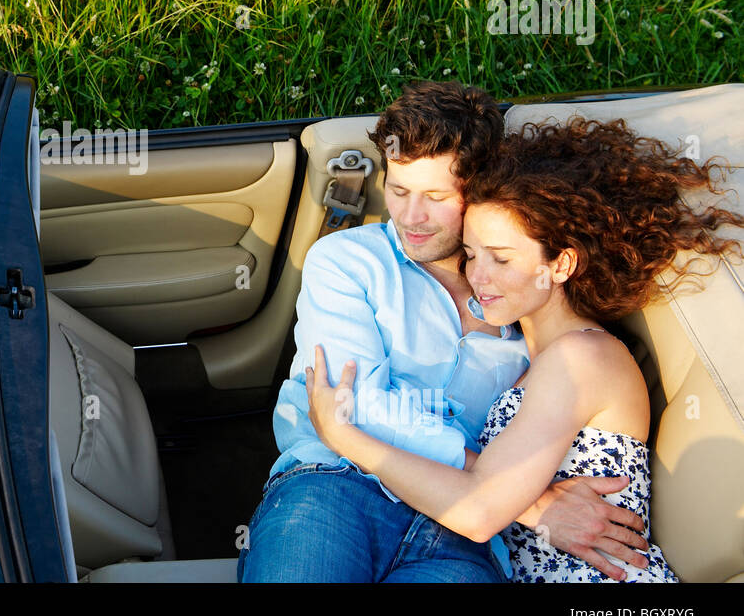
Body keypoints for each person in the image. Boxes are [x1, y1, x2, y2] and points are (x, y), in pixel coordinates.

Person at [238, 82, 655, 582]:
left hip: (460, 536)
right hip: (338, 482)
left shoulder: (523, 302)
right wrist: (532, 505)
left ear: (476, 191)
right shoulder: (346, 262)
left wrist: (494, 496)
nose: (412, 217)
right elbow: (354, 406)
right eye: (398, 190)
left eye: (436, 197)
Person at [304, 115, 744, 581]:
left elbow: (477, 512)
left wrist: (344, 438)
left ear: (561, 264)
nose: (479, 276)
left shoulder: (580, 358)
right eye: (472, 255)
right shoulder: (530, 359)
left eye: (503, 258)